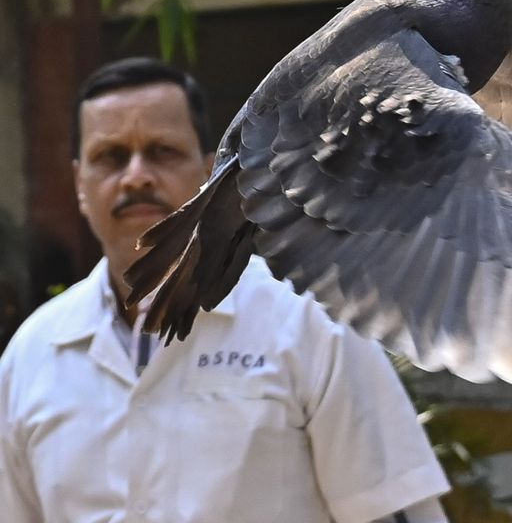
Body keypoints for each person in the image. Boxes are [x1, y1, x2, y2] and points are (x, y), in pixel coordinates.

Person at [0, 57, 450, 522]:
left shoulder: (309, 322)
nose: (136, 176)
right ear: (80, 183)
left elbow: (394, 510)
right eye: (111, 157)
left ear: (209, 171)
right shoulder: (31, 357)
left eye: (162, 151)